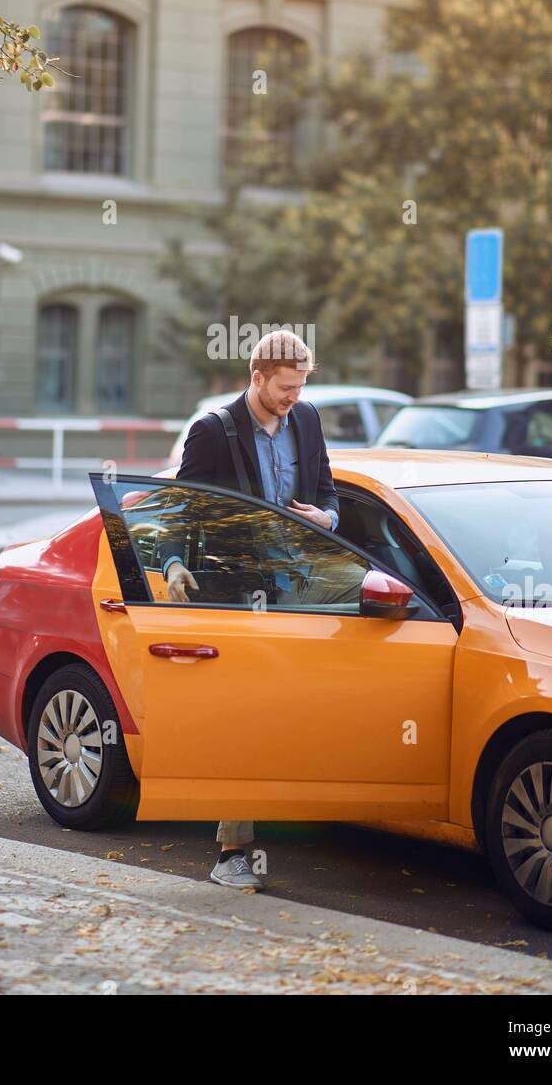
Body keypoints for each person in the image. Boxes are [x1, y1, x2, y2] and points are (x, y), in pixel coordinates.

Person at [163, 329, 339, 890]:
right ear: (256, 377)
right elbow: (179, 511)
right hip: (237, 594)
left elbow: (331, 494)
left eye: (301, 387)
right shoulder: (214, 432)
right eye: (285, 388)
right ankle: (232, 851)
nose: (293, 398)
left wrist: (325, 520)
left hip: (300, 590)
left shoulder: (307, 422)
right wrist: (171, 566)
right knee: (246, 715)